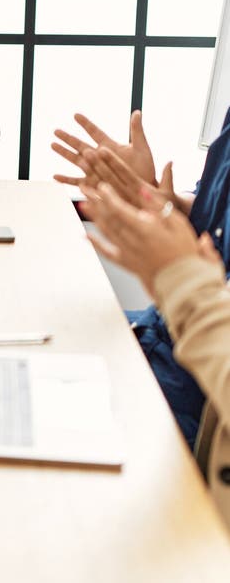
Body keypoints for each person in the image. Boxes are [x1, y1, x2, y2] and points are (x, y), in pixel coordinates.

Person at [51, 107, 230, 447]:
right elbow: (216, 224)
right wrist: (155, 199)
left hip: (203, 398)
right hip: (165, 337)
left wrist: (181, 277)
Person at [78, 179, 230, 531]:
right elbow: (218, 231)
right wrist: (165, 206)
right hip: (170, 333)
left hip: (202, 385)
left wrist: (183, 281)